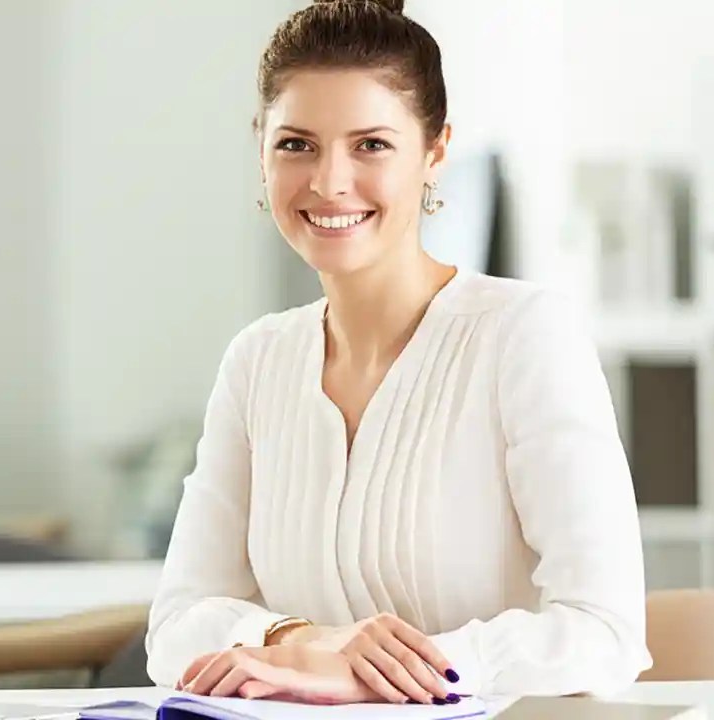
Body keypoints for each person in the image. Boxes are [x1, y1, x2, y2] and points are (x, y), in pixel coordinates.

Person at [143, 0, 652, 706]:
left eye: (371, 144)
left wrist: (370, 672)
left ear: (435, 151)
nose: (328, 182)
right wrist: (305, 640)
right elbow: (174, 628)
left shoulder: (524, 336)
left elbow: (604, 633)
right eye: (297, 144)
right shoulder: (257, 360)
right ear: (260, 146)